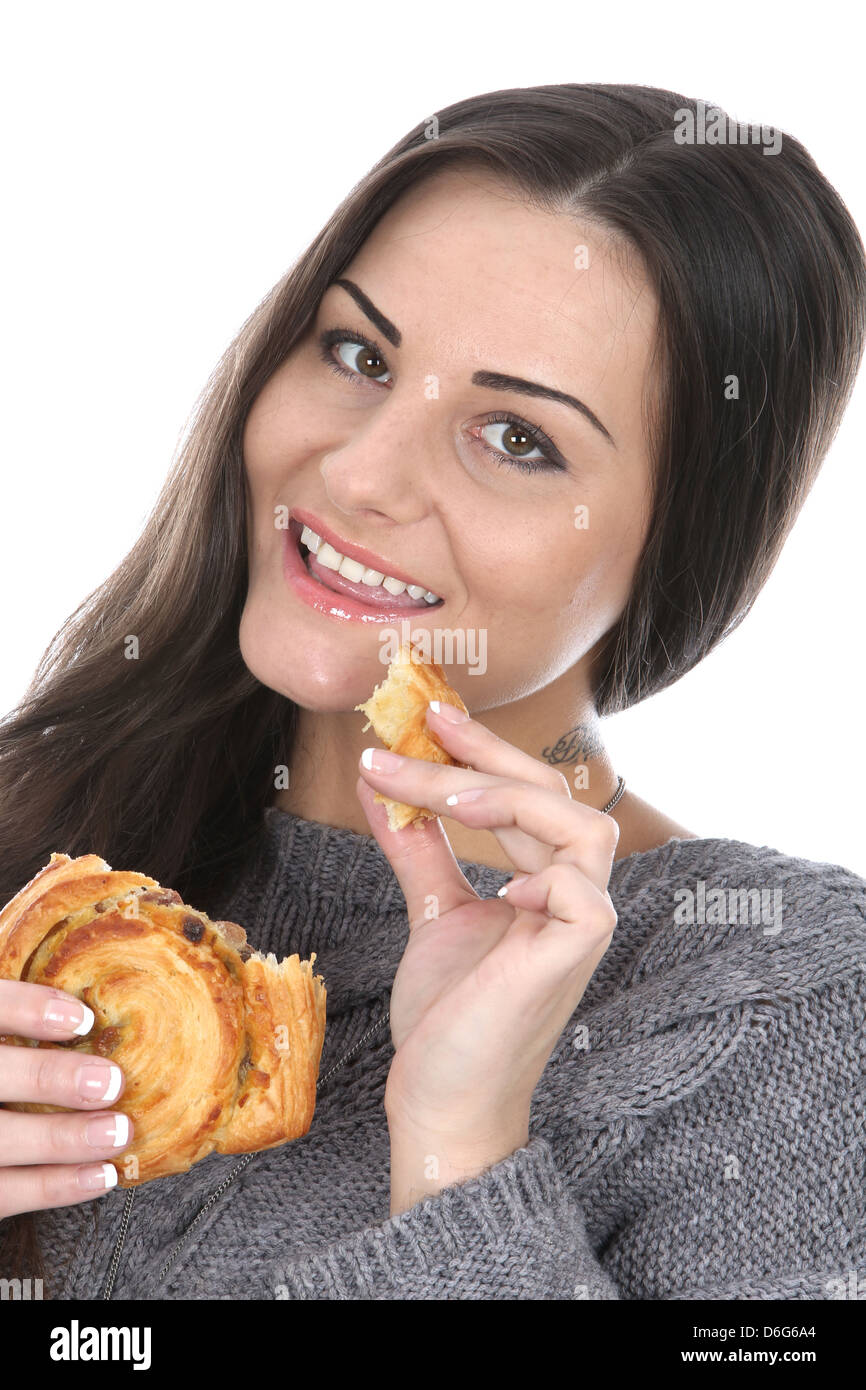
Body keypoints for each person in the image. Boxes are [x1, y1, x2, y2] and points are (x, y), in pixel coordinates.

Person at [0, 82, 863, 1300]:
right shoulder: (41, 855)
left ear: (680, 545)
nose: (357, 473)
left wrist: (461, 1148)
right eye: (358, 354)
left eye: (515, 438)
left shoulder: (790, 1011)